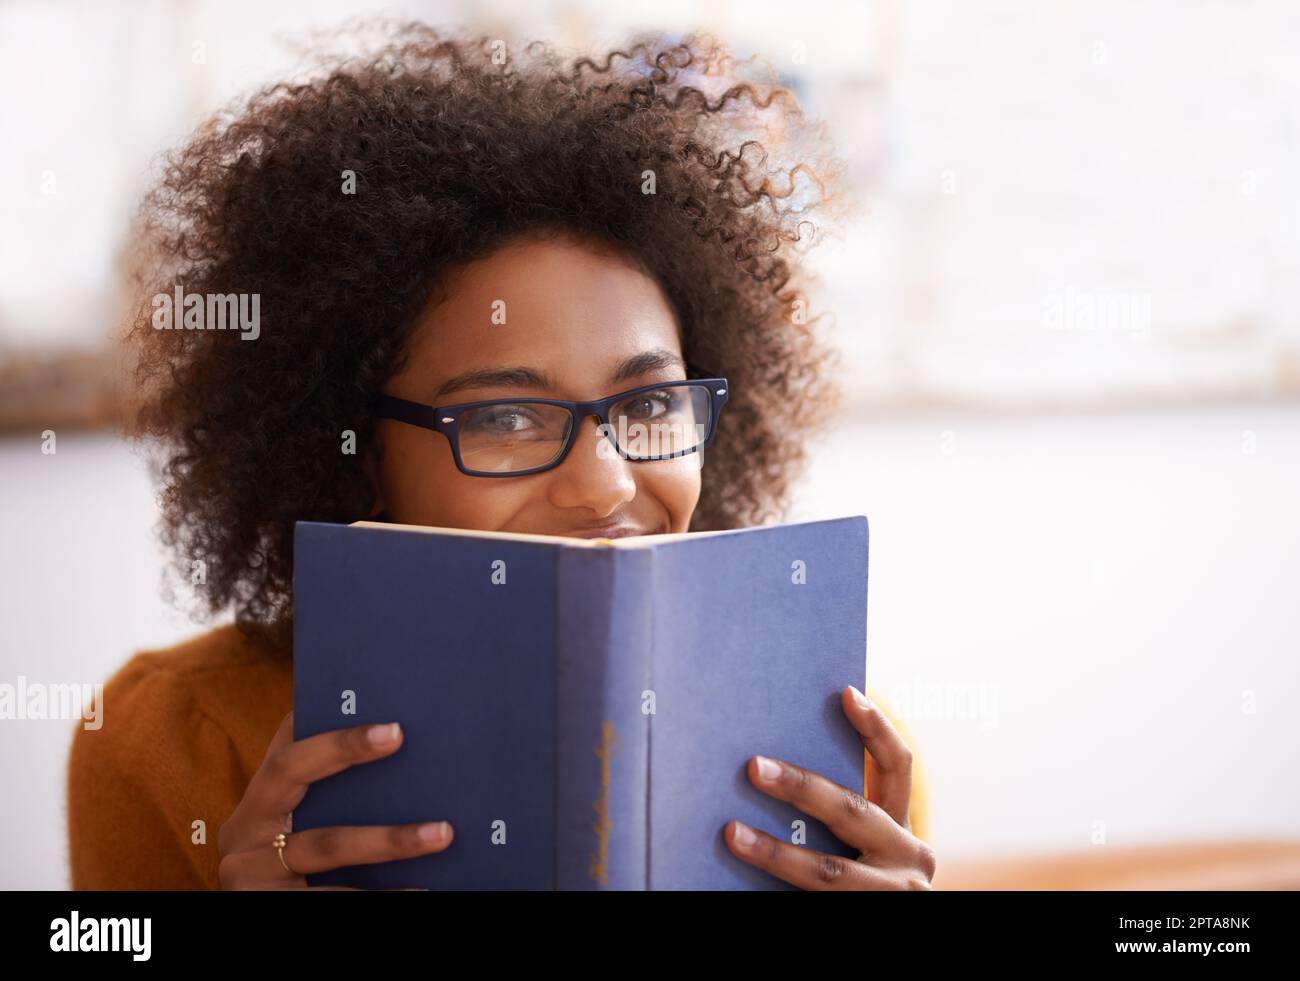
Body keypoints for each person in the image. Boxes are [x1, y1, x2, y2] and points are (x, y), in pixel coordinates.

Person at [66, 22, 935, 891]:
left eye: (650, 402)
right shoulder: (172, 738)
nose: (605, 485)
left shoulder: (841, 761)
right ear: (353, 449)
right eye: (507, 415)